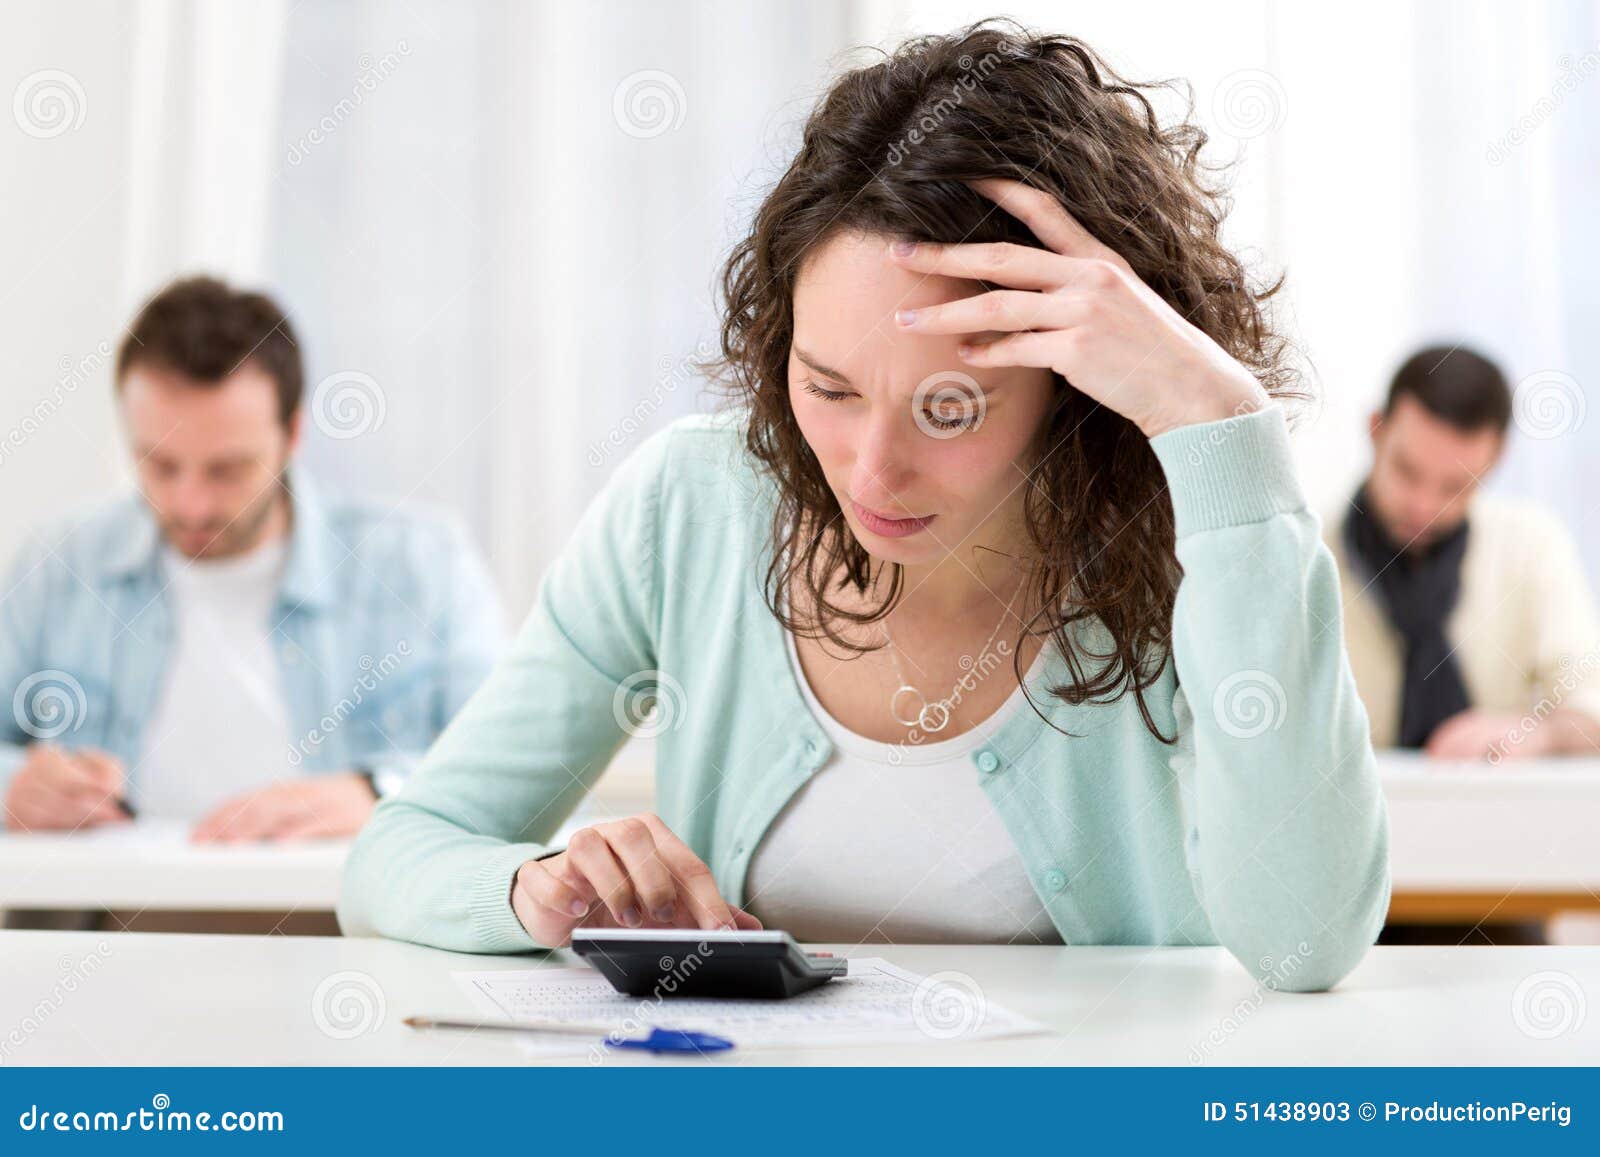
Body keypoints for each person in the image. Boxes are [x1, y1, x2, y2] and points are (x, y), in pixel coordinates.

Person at [339, 22, 1389, 992]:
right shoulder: (691, 508)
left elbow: (1303, 940)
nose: (870, 473)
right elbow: (398, 851)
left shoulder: (1196, 533)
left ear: (1073, 389)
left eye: (948, 408)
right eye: (830, 389)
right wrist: (536, 883)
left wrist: (1217, 423)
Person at [0, 276, 505, 841]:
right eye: (160, 464)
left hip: (345, 922)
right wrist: (14, 785)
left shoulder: (421, 564)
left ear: (293, 435)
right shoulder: (59, 566)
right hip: (105, 920)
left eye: (227, 469)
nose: (190, 504)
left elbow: (513, 767)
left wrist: (379, 793)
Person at [1329, 346, 1600, 759]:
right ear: (1375, 429)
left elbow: (1591, 703)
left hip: (1495, 817)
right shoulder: (1306, 553)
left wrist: (1540, 735)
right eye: (1407, 470)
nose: (1424, 506)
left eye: (1455, 486)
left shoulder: (1531, 547)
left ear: (1495, 462)